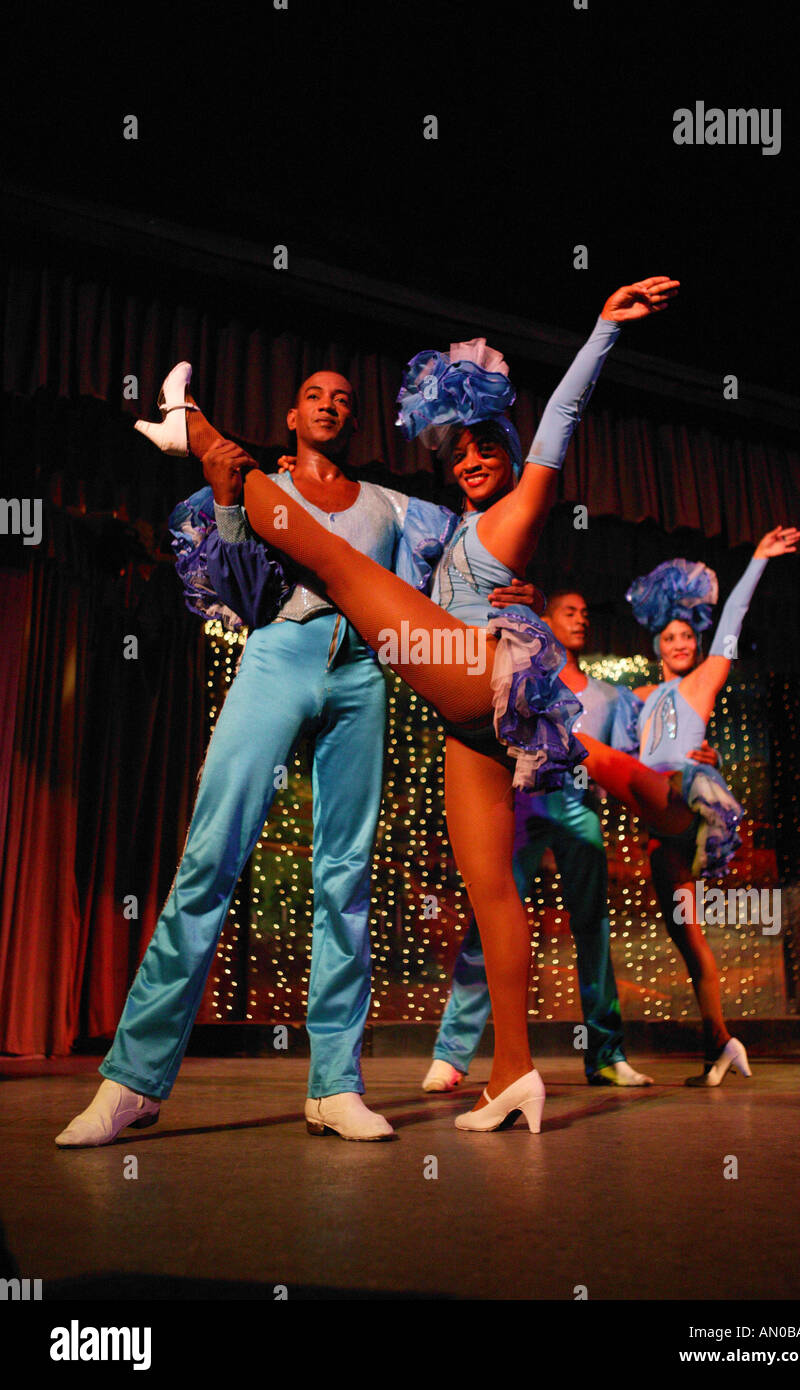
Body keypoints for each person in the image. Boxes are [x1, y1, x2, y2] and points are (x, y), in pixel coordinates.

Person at [239, 279, 707, 1133]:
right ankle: (515, 1072)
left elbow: (561, 422)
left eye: (486, 447)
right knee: (489, 890)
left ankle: (217, 456)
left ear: (507, 446)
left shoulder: (520, 506)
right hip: (471, 715)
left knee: (348, 575)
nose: (471, 461)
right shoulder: (456, 525)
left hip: (472, 671)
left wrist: (602, 329)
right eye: (459, 454)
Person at [56, 366, 529, 1146]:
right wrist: (225, 502)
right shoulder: (263, 484)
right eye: (316, 394)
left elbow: (480, 549)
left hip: (363, 674)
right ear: (291, 413)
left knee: (345, 874)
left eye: (345, 399)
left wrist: (526, 595)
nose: (332, 405)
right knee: (210, 857)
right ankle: (132, 1081)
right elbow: (240, 588)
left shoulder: (393, 507)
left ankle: (335, 1084)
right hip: (280, 652)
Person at [424, 587, 722, 1093]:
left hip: (578, 810)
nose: (581, 619)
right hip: (523, 806)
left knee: (594, 931)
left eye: (586, 612)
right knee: (487, 924)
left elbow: (654, 741)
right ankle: (452, 1054)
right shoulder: (527, 674)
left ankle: (605, 1055)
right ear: (547, 618)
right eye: (570, 611)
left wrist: (695, 756)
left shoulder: (610, 697)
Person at [613, 531, 800, 1085]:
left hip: (683, 806)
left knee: (605, 760)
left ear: (696, 642)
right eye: (669, 637)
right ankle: (720, 1040)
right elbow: (631, 751)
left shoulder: (705, 679)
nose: (679, 643)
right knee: (687, 939)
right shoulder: (640, 700)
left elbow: (733, 620)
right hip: (659, 827)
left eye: (686, 636)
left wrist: (758, 561)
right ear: (656, 646)